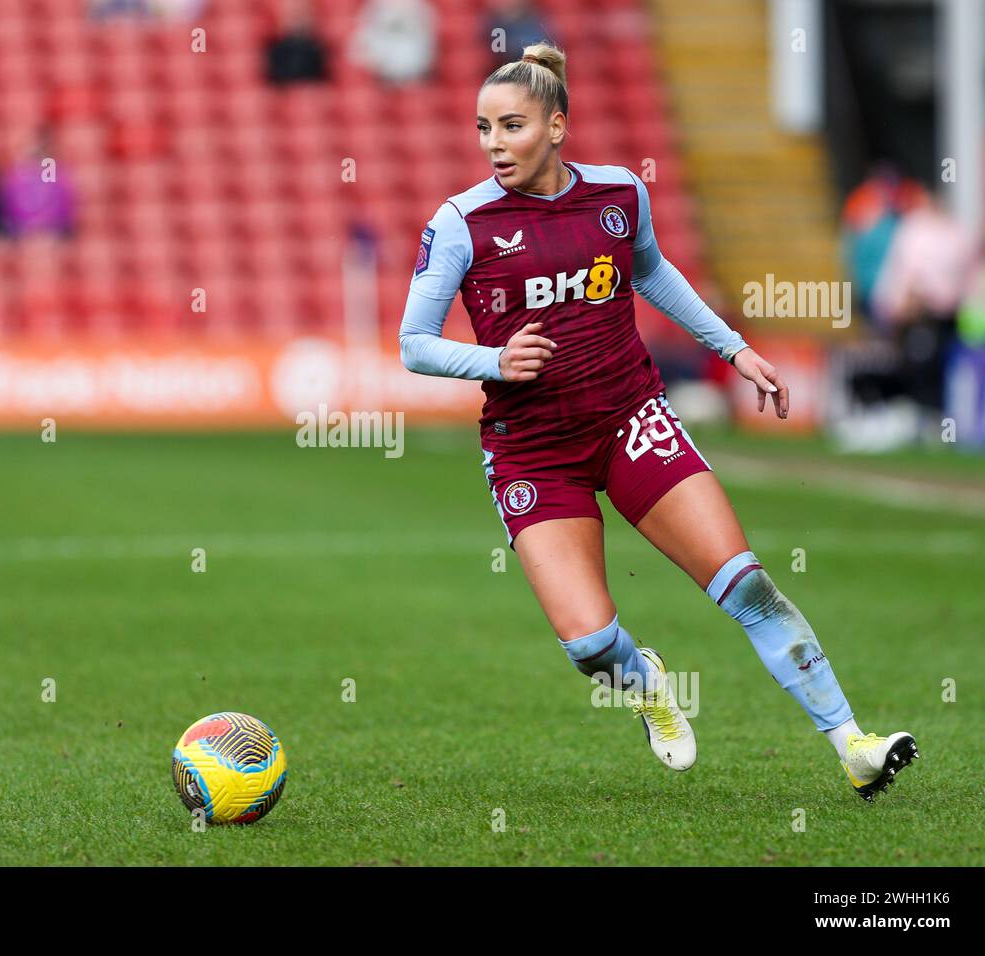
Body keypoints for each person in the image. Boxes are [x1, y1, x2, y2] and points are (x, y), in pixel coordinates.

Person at [398, 42, 918, 800]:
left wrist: (734, 349)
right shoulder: (462, 224)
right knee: (588, 643)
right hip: (534, 452)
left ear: (556, 126)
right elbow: (413, 343)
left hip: (631, 419)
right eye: (483, 129)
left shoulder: (617, 197)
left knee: (749, 585)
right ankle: (643, 684)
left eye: (510, 126)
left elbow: (653, 273)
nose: (493, 145)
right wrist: (494, 362)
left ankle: (853, 744)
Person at [349, 0, 436, 85]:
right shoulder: (374, 7)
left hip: (413, 69)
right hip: (381, 72)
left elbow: (428, 39)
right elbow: (363, 38)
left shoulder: (419, 7)